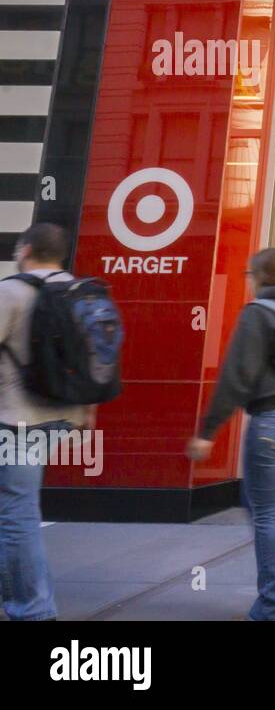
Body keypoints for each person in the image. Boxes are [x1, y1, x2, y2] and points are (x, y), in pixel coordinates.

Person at [187, 248, 275, 620]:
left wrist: (208, 430)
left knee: (266, 513)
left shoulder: (260, 314)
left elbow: (235, 376)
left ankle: (273, 607)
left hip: (272, 424)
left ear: (260, 276)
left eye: (249, 274)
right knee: (263, 505)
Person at [0, 224, 91, 621]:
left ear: (26, 249)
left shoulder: (11, 291)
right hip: (62, 416)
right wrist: (86, 415)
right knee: (15, 507)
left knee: (18, 513)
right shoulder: (82, 293)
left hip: (17, 418)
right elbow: (92, 362)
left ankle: (34, 610)